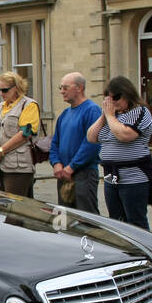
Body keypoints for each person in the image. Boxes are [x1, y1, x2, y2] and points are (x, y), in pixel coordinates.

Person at [87, 76, 152, 230]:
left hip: (133, 178)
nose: (112, 102)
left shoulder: (140, 112)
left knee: (136, 222)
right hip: (112, 178)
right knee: (117, 223)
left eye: (116, 97)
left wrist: (110, 116)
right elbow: (91, 136)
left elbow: (124, 135)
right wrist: (104, 116)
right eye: (108, 98)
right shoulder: (111, 117)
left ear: (127, 94)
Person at [49, 72, 102, 212]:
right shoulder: (64, 115)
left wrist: (72, 167)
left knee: (86, 216)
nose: (61, 91)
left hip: (83, 174)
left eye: (65, 87)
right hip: (64, 175)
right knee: (65, 217)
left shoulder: (92, 110)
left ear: (79, 88)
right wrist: (56, 163)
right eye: (60, 87)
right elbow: (55, 143)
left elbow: (91, 144)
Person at [0, 71, 39, 197]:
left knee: (14, 207)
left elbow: (25, 134)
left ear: (17, 88)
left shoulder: (28, 105)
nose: (1, 94)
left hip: (19, 167)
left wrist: (1, 150)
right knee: (3, 206)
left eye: (5, 90)